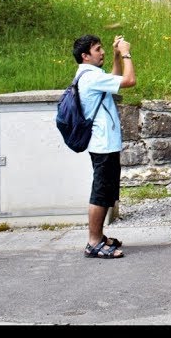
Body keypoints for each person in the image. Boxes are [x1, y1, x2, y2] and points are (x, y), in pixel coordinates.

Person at [71, 33, 136, 258]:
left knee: (106, 192)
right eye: (98, 49)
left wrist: (117, 56)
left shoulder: (92, 75)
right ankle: (93, 243)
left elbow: (114, 79)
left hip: (105, 143)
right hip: (102, 144)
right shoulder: (90, 77)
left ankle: (99, 236)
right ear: (85, 56)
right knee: (100, 193)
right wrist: (126, 54)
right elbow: (129, 80)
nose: (102, 52)